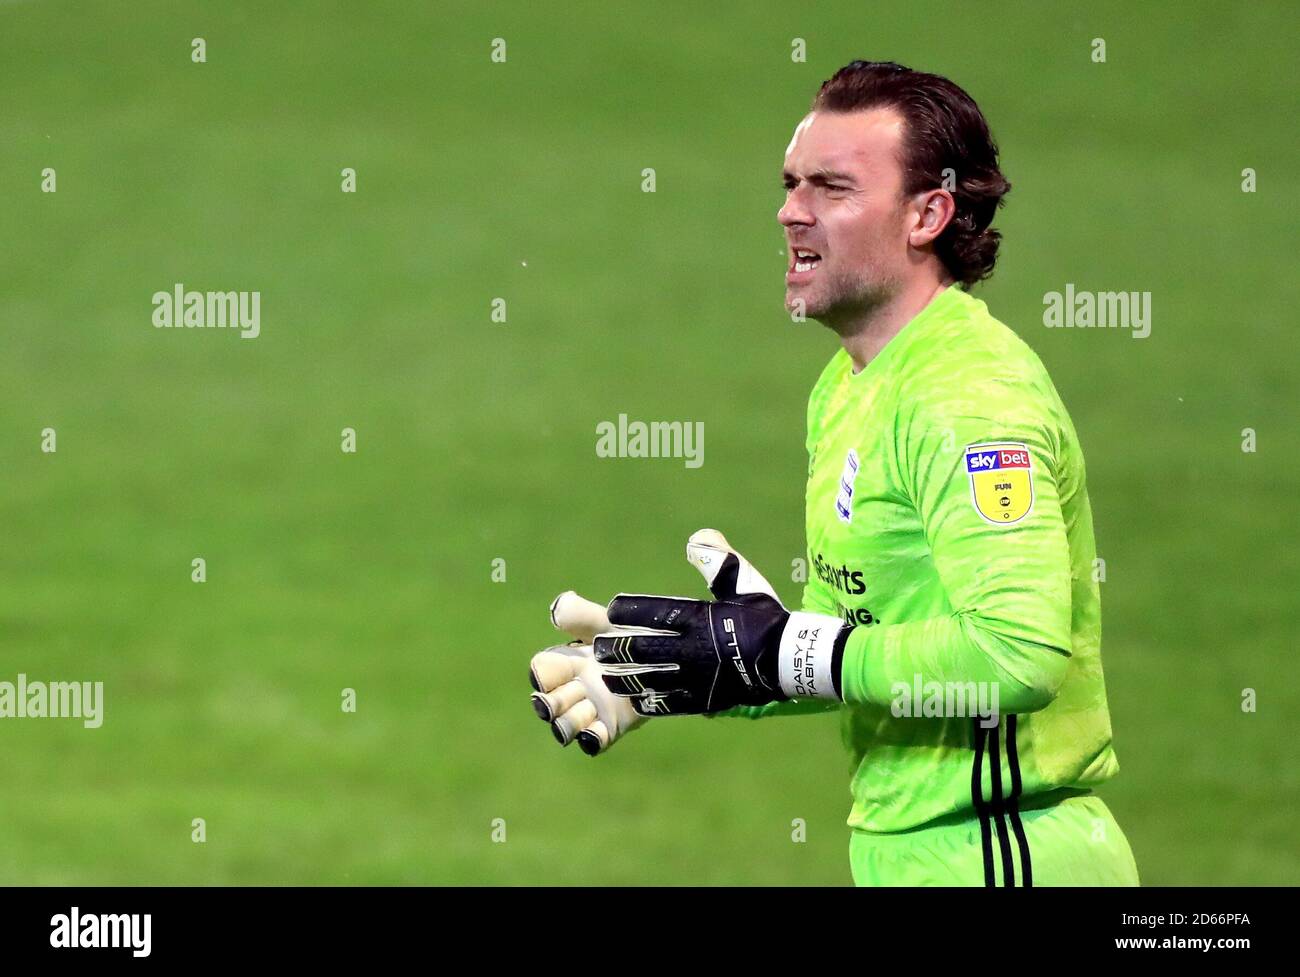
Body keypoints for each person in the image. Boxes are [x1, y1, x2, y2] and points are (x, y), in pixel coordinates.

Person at [530, 60, 1139, 887]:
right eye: (789, 184)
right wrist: (694, 669)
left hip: (1003, 848)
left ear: (929, 213)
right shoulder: (849, 386)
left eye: (832, 188)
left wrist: (788, 650)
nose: (791, 211)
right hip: (917, 853)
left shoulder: (969, 396)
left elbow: (1016, 656)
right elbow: (867, 647)